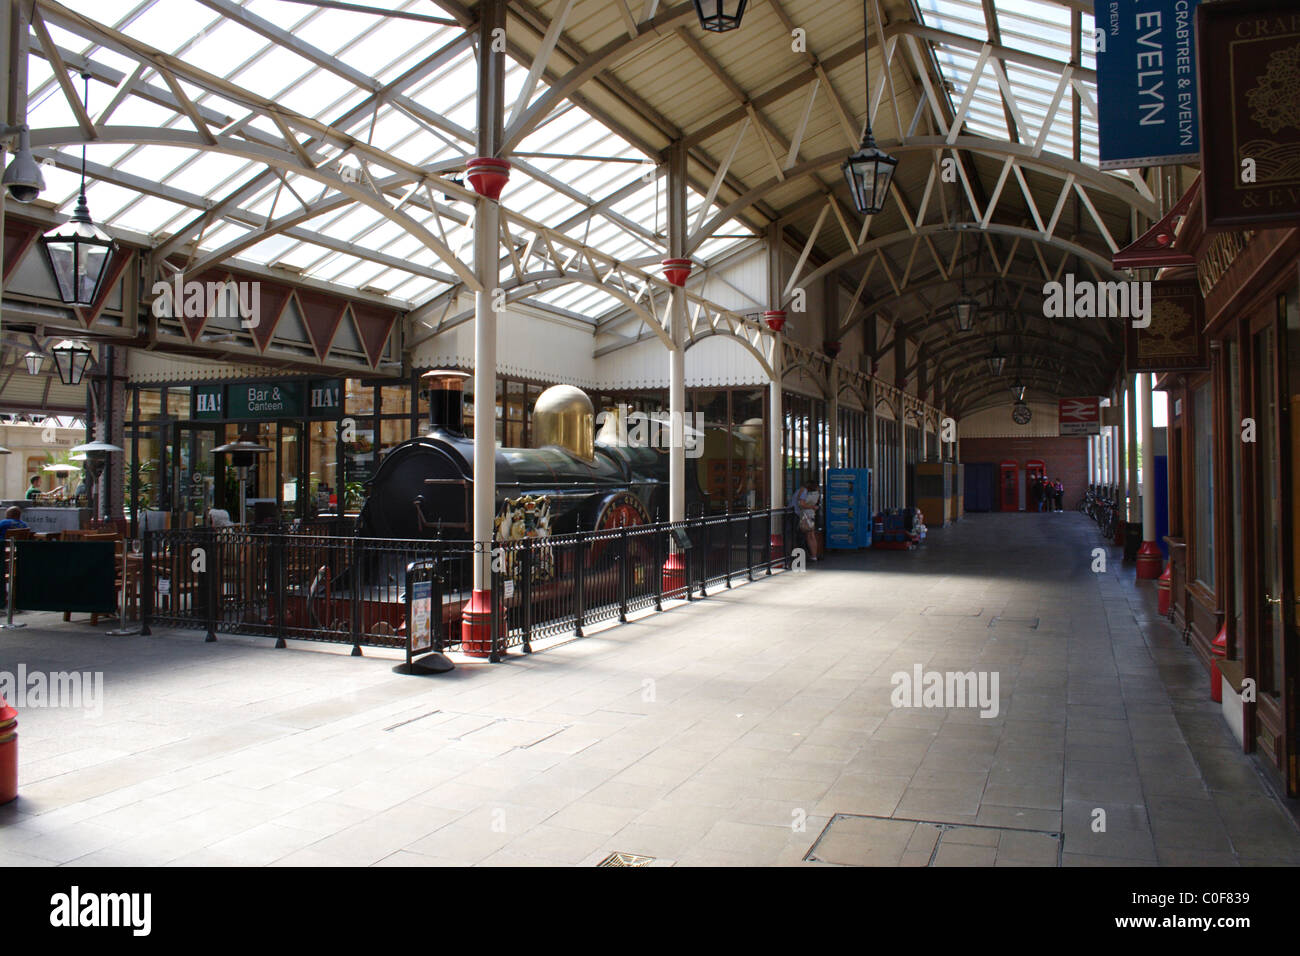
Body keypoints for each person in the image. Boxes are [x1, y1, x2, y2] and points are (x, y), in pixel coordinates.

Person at [793, 479, 822, 562]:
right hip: (811, 515)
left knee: (805, 535)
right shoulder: (815, 494)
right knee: (811, 535)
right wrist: (813, 507)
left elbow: (801, 504)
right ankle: (814, 555)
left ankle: (801, 555)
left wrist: (810, 507)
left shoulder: (804, 491)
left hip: (803, 515)